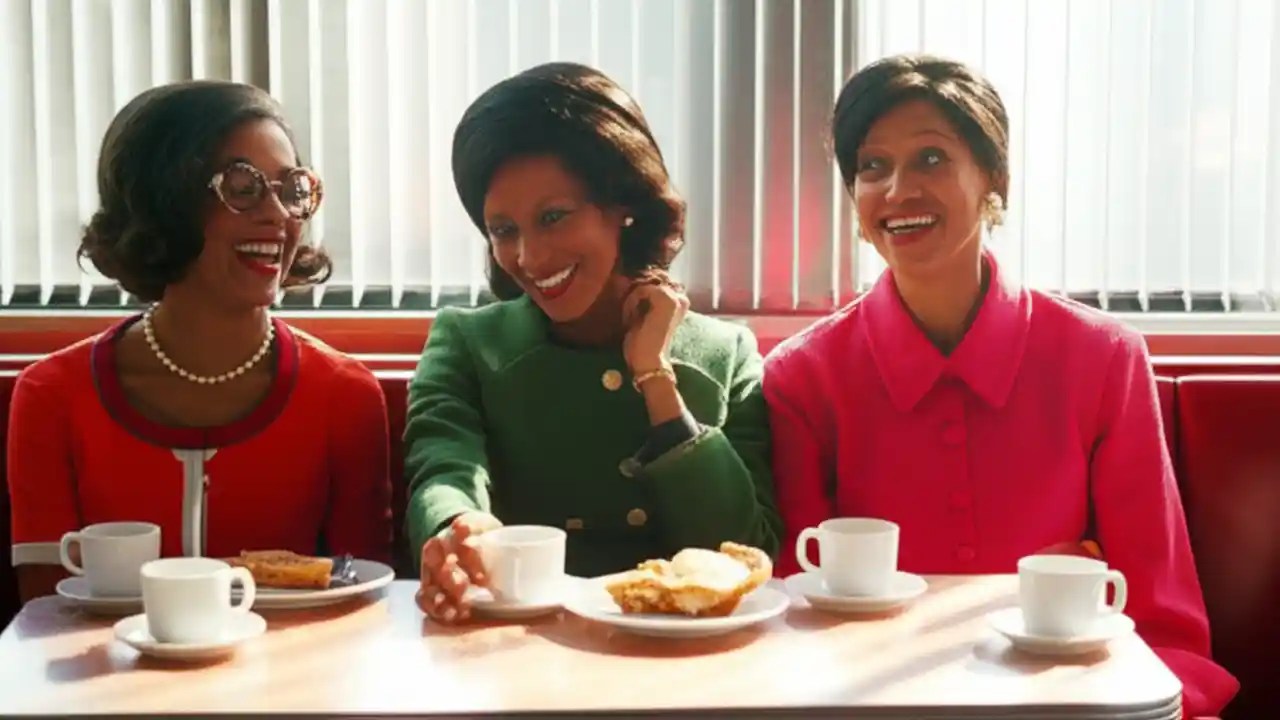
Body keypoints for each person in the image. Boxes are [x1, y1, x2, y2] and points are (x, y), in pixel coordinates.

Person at [763, 55, 1238, 717]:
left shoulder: (1104, 358)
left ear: (996, 180)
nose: (898, 190)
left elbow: (1163, 622)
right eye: (872, 166)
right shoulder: (801, 377)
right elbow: (797, 613)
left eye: (931, 158)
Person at [407, 62, 781, 623]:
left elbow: (746, 552)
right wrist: (458, 526)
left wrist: (655, 376)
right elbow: (444, 467)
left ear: (624, 205)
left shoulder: (726, 354)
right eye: (504, 230)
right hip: (517, 647)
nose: (529, 258)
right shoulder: (466, 341)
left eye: (554, 217)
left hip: (684, 661)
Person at [7, 81, 393, 602]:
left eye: (291, 189)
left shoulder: (345, 395)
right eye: (242, 187)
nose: (278, 215)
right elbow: (45, 613)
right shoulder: (52, 395)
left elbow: (363, 601)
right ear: (162, 203)